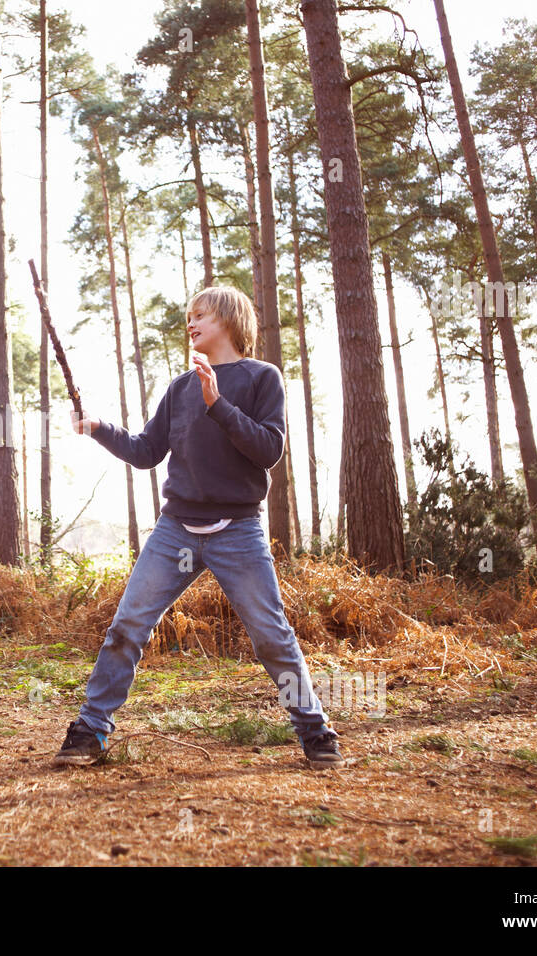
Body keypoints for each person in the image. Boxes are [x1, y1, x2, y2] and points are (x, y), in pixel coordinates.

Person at [54, 285, 345, 770]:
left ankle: (315, 734)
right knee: (127, 627)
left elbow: (268, 450)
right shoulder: (179, 387)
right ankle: (90, 732)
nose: (190, 324)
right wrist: (99, 427)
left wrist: (219, 404)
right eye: (188, 316)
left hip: (238, 532)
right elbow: (147, 452)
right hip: (176, 531)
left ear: (228, 319)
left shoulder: (261, 378)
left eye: (200, 315)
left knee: (272, 636)